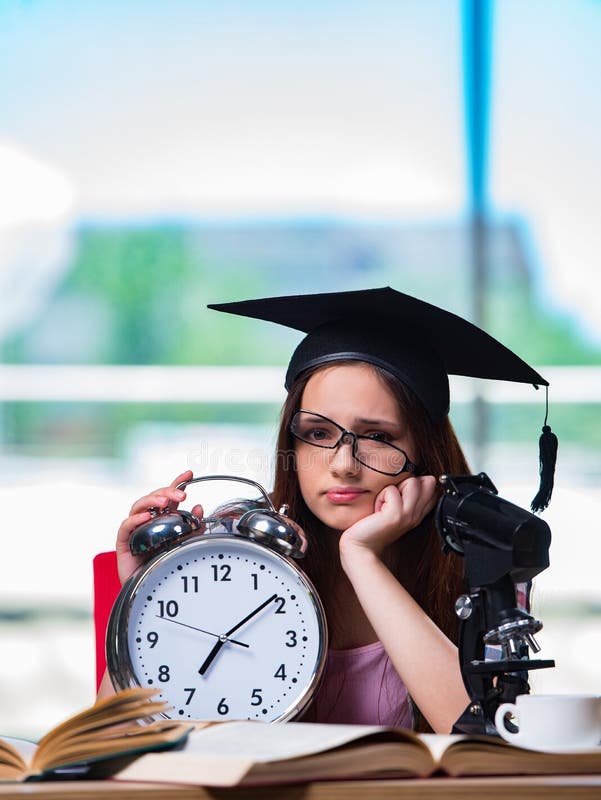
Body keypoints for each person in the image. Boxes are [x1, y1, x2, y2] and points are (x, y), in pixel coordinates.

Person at [97, 287, 554, 734]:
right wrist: (142, 601)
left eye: (378, 436)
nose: (343, 465)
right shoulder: (236, 556)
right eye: (318, 434)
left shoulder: (481, 568)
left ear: (424, 453)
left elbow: (486, 739)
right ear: (291, 444)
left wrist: (362, 557)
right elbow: (101, 751)